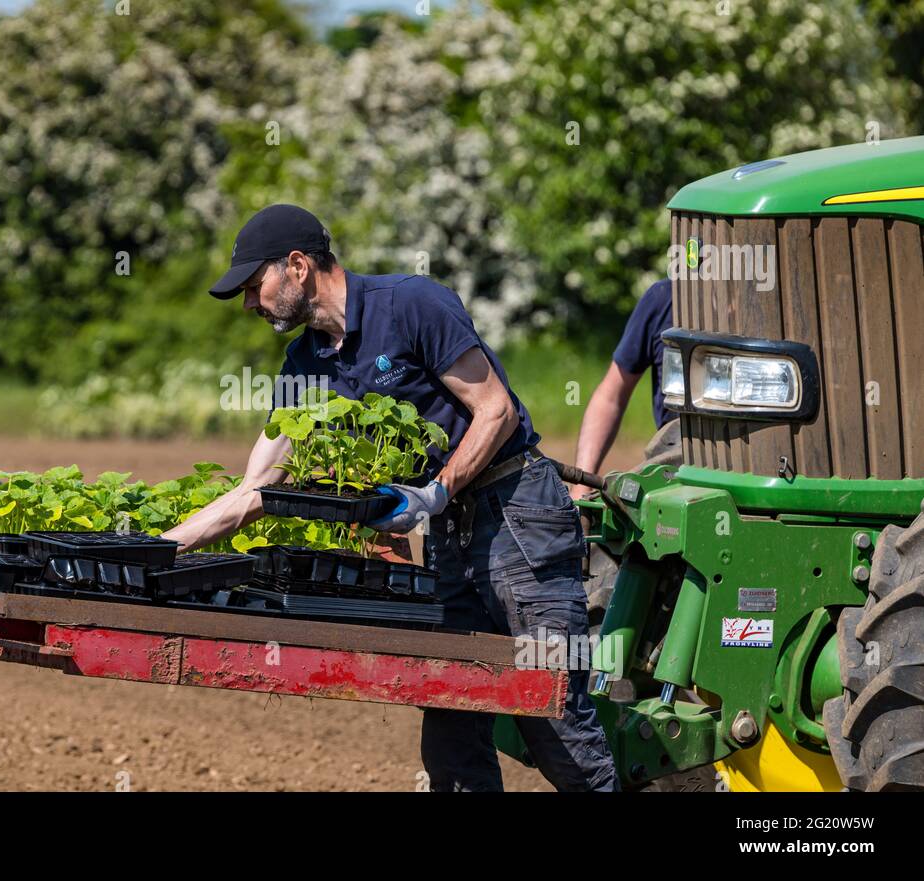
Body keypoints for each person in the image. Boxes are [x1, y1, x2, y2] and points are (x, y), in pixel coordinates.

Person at [162, 204, 617, 791]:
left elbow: (495, 410)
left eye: (255, 286)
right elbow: (258, 487)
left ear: (297, 266)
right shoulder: (305, 361)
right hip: (453, 533)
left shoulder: (411, 305)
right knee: (452, 721)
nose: (250, 304)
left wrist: (433, 494)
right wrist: (158, 548)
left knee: (553, 715)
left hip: (517, 514)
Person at [570, 279, 675, 500]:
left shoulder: (763, 305)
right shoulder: (664, 298)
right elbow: (611, 396)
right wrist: (581, 486)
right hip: (675, 461)